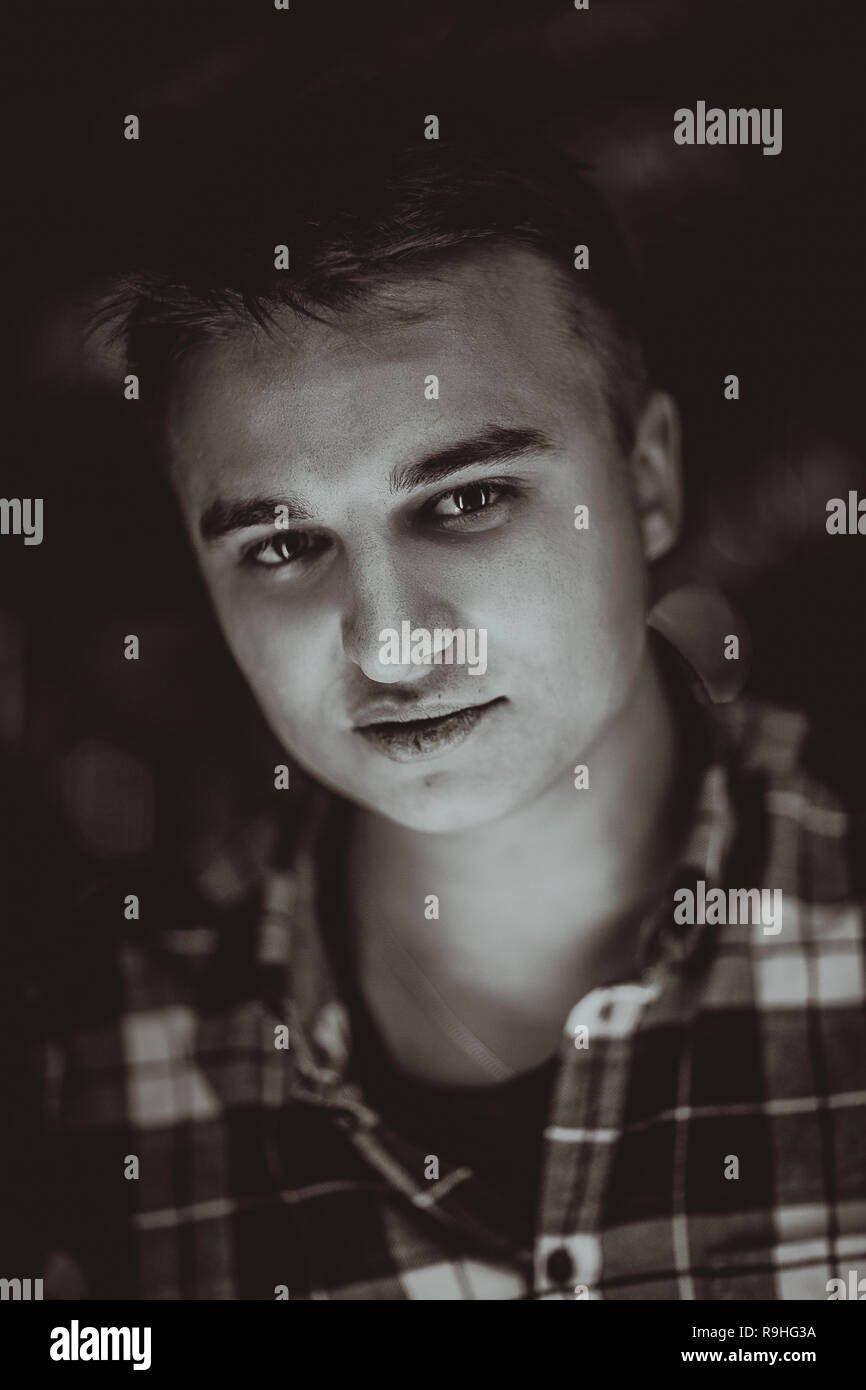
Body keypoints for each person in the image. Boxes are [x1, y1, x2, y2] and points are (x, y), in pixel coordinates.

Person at [24, 103, 866, 1300]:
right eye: (280, 544)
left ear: (648, 483)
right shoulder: (79, 1073)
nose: (390, 640)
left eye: (465, 500)